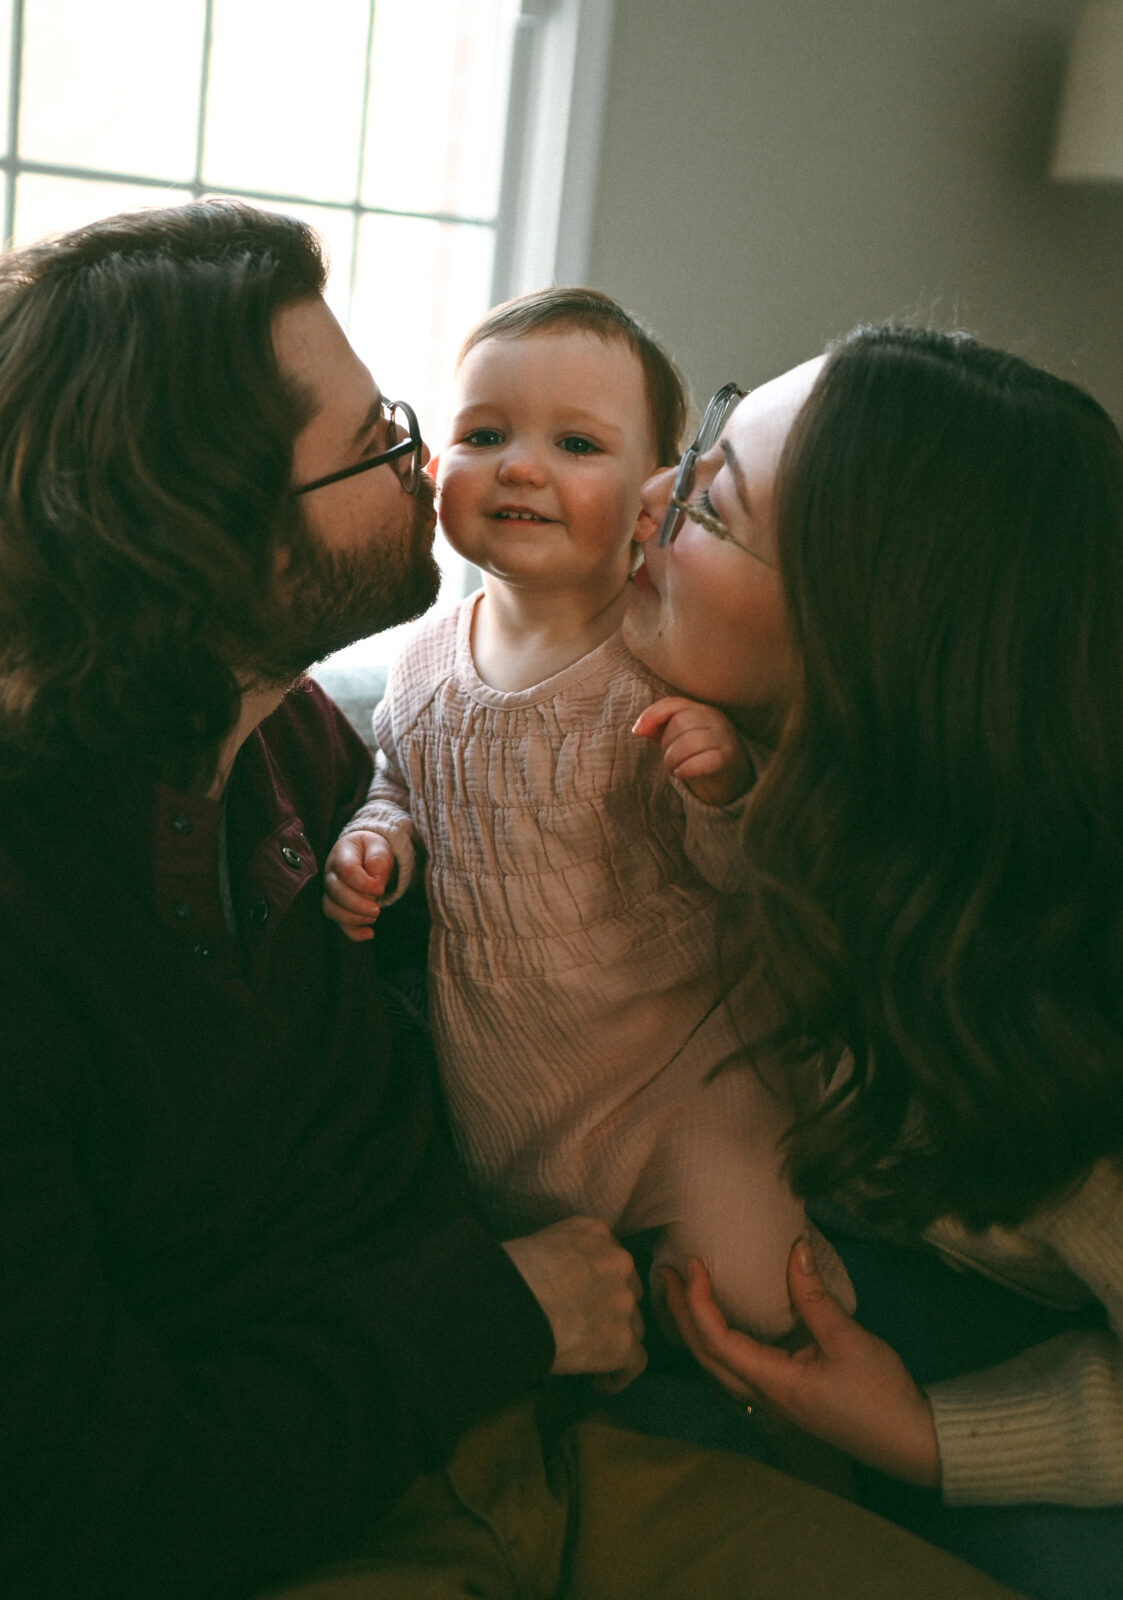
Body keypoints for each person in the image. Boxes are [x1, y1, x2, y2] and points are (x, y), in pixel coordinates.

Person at [0, 204, 1021, 1600]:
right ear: (207, 534)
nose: (429, 467)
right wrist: (495, 1314)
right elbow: (87, 1511)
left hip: (536, 1441)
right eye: (380, 443)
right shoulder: (39, 934)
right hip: (331, 1523)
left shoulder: (283, 740)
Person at [621, 326, 1123, 1600]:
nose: (641, 500)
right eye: (693, 453)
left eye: (706, 504)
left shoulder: (1052, 997)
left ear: (867, 646)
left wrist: (931, 1437)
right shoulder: (798, 792)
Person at [321, 287, 852, 1341]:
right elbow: (401, 773)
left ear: (656, 488)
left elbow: (752, 881)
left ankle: (816, 1451)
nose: (518, 465)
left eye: (573, 442)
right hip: (508, 1090)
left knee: (753, 1296)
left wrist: (721, 786)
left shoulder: (654, 657)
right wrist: (379, 835)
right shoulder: (423, 660)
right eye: (483, 434)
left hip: (685, 1081)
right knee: (559, 1299)